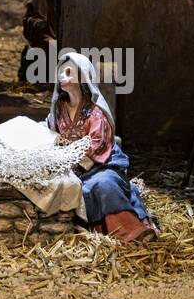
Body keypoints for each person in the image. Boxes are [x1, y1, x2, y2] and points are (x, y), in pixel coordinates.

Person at [48, 51, 156, 243]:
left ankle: (130, 231)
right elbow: (51, 129)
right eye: (61, 72)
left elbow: (96, 147)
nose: (62, 77)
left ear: (82, 77)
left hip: (101, 165)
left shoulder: (95, 113)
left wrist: (70, 153)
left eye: (68, 72)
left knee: (101, 185)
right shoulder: (59, 107)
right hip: (69, 164)